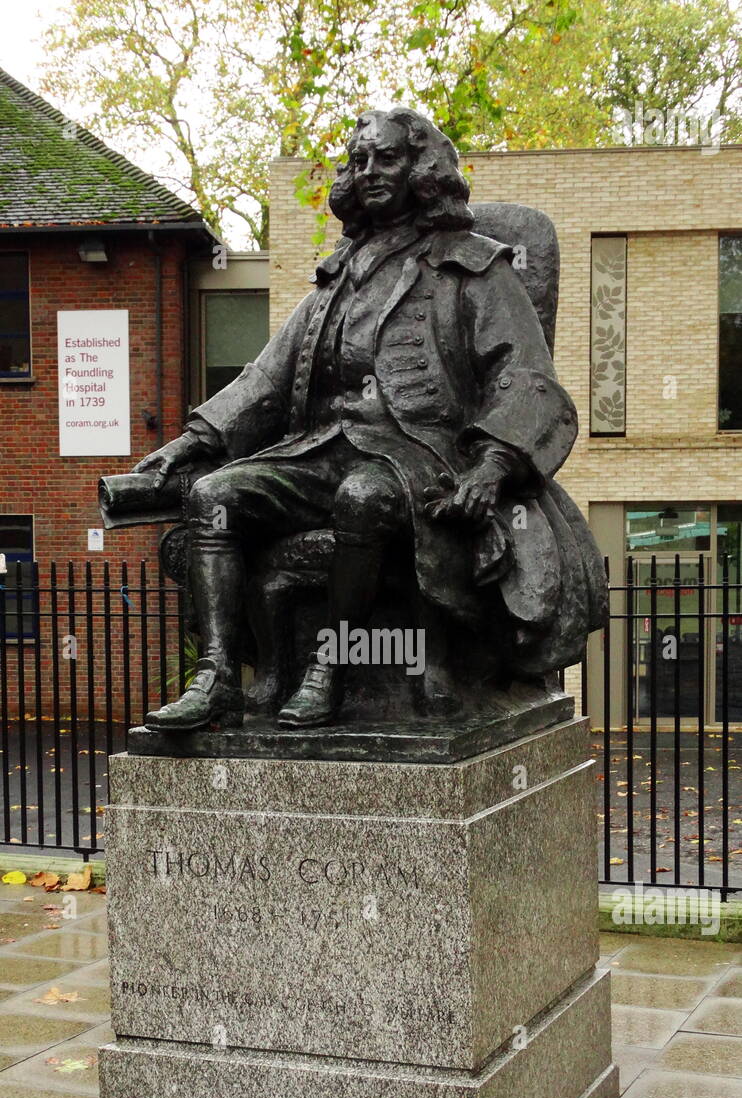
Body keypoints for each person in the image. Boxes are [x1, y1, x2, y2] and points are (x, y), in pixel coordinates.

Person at [132, 107, 606, 731]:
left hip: (420, 458)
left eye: (387, 158)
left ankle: (333, 665)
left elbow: (527, 379)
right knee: (214, 495)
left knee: (362, 497)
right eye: (360, 160)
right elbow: (268, 378)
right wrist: (193, 442)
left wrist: (492, 467)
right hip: (324, 448)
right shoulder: (338, 275)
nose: (370, 170)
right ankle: (218, 676)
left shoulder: (473, 265)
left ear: (423, 169)